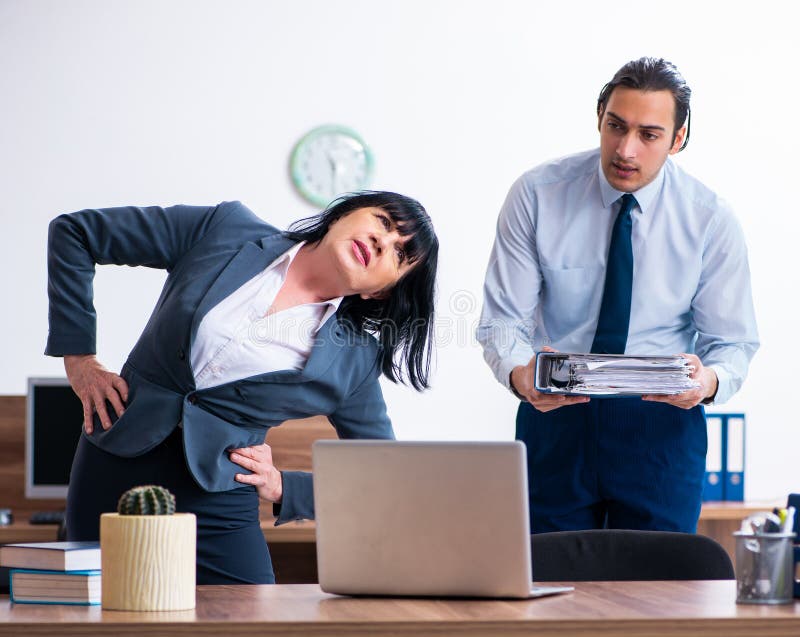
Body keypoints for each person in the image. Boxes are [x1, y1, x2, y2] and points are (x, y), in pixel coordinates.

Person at [46, 191, 438, 584]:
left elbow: (383, 475)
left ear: (380, 291)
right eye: (383, 223)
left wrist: (286, 487)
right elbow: (76, 233)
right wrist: (78, 358)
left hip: (219, 499)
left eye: (398, 254)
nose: (381, 242)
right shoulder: (224, 229)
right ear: (345, 214)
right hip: (114, 461)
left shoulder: (355, 360)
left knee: (251, 621)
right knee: (97, 614)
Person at [476, 57, 758, 534]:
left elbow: (732, 343)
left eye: (648, 134)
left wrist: (707, 381)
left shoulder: (709, 219)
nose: (626, 149)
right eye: (615, 126)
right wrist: (521, 376)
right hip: (555, 416)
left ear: (678, 138)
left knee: (660, 595)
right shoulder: (538, 195)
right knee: (546, 592)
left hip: (660, 423)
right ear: (600, 119)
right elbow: (503, 321)